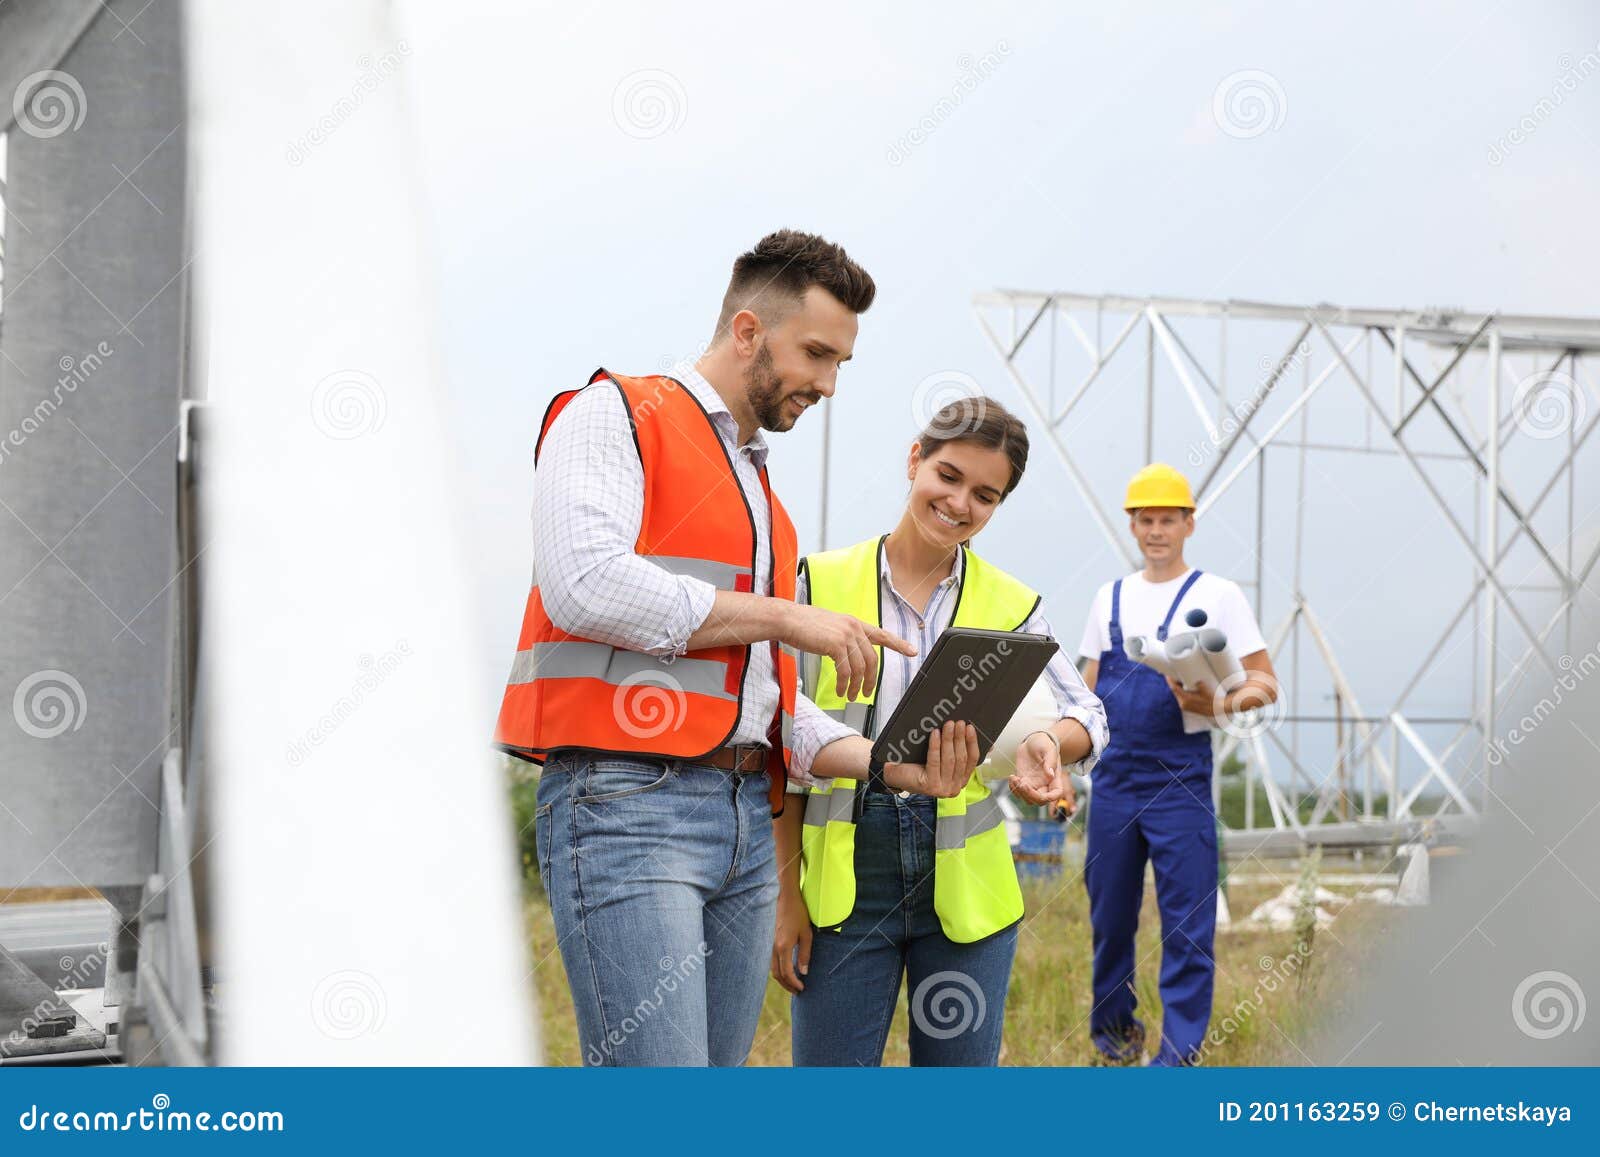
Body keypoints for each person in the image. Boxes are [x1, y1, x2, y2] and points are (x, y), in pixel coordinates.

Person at [770, 395, 1109, 1066]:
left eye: (985, 494)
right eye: (948, 476)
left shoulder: (1012, 604)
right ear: (915, 460)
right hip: (843, 888)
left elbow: (1090, 714)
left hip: (965, 888)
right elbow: (779, 746)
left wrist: (1051, 742)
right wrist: (786, 900)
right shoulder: (818, 583)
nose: (959, 503)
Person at [1077, 462, 1279, 1066]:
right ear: (1132, 525)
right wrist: (1063, 770)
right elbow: (1085, 695)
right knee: (1110, 919)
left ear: (1189, 523)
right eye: (1146, 519)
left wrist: (1217, 699)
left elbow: (1264, 684)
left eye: (1168, 519)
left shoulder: (1218, 596)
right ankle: (1115, 1039)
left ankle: (1178, 1055)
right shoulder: (1108, 597)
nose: (1157, 530)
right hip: (1113, 780)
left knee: (1187, 923)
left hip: (1179, 780)